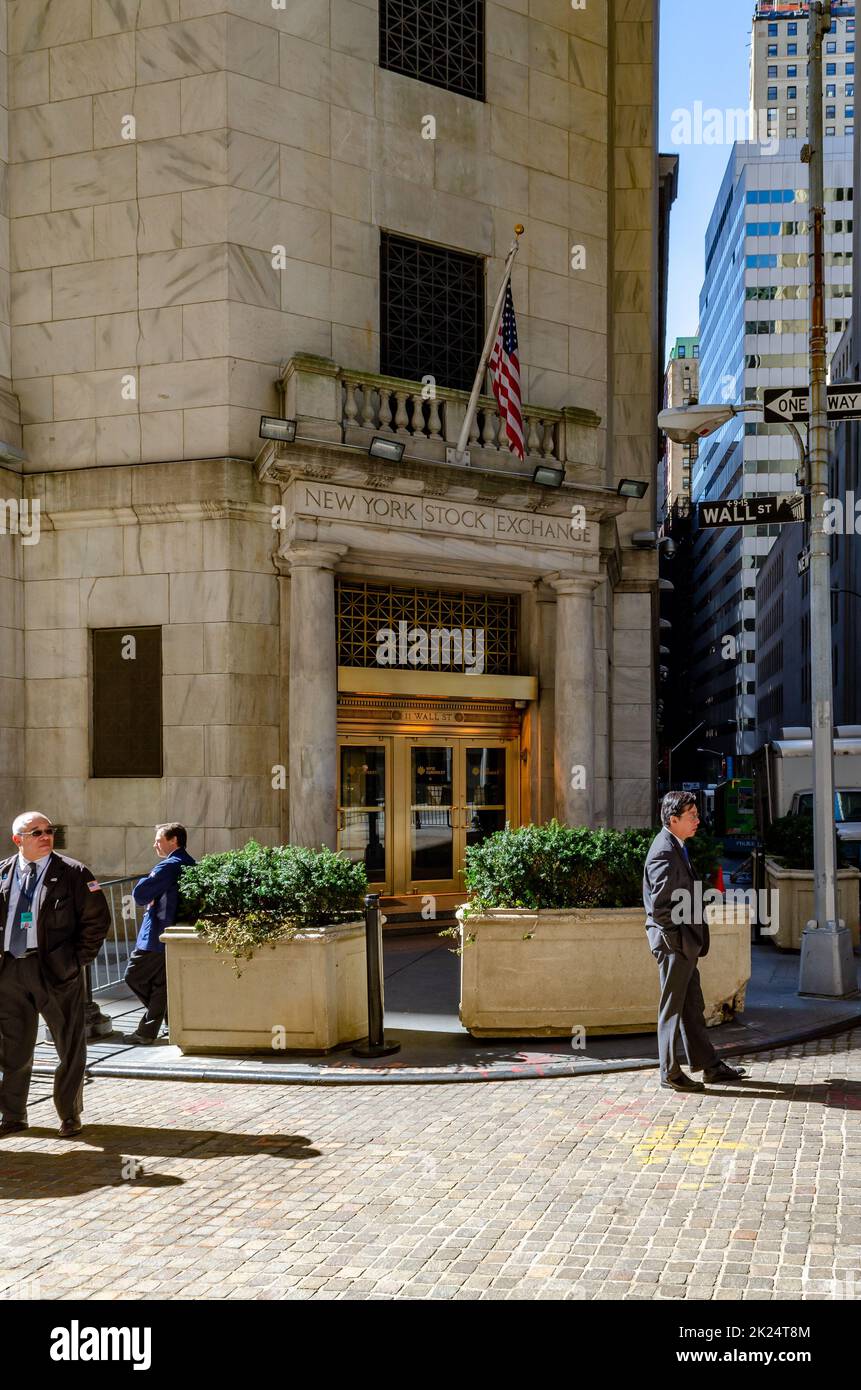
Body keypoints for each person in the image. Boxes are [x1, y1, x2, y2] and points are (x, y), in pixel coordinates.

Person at [0, 812, 111, 1138]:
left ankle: (69, 1115)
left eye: (49, 831)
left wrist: (76, 961)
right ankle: (14, 1116)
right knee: (13, 1047)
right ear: (18, 839)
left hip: (55, 970)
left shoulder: (74, 873)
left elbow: (97, 921)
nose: (45, 836)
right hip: (10, 970)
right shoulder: (4, 873)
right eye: (36, 832)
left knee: (69, 1045)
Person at [644, 791, 747, 1093]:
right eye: (692, 815)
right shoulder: (664, 852)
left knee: (692, 1005)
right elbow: (662, 908)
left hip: (683, 944)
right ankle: (669, 1073)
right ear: (673, 819)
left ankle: (709, 1066)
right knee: (672, 1009)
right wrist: (678, 943)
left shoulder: (676, 845)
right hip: (675, 945)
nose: (698, 820)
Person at [124, 823, 195, 1044]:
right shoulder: (189, 862)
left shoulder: (169, 866)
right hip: (173, 932)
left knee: (134, 975)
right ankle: (157, 1027)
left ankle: (153, 1027)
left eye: (158, 839)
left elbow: (141, 894)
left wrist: (145, 886)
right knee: (162, 984)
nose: (155, 844)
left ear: (173, 840)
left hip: (157, 934)